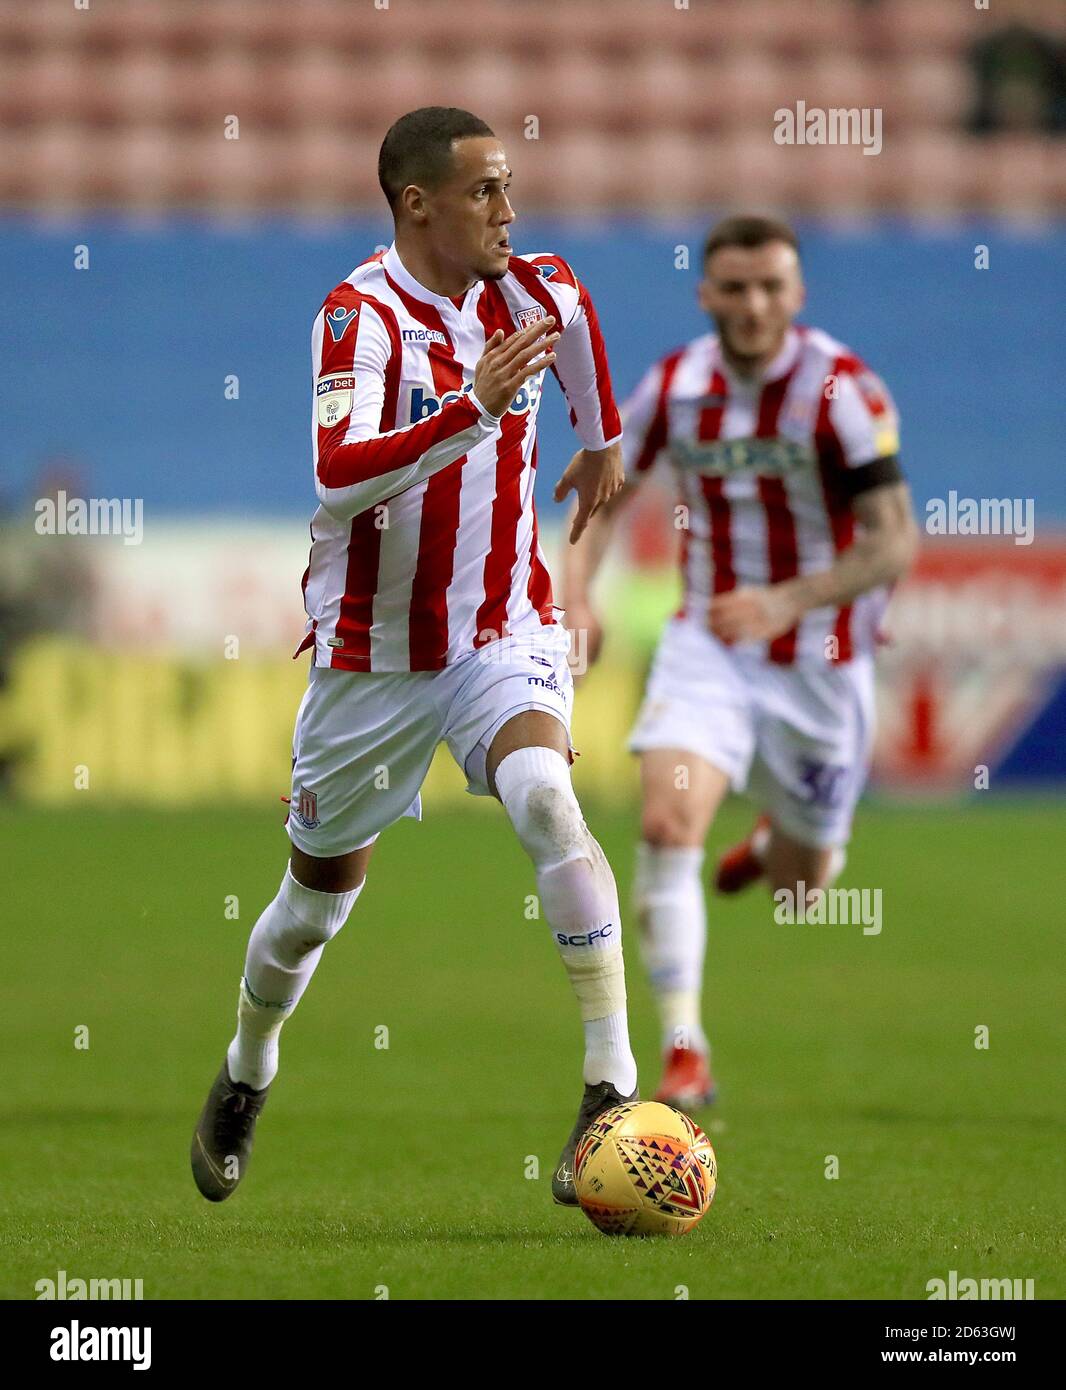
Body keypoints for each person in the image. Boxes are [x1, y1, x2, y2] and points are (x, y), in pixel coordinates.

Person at [191, 107, 637, 1207]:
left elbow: (579, 330)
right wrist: (467, 407)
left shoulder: (537, 289)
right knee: (310, 911)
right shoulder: (358, 318)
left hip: (502, 628)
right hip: (372, 658)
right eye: (486, 190)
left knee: (545, 795)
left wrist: (601, 437)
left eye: (511, 186)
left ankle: (609, 1084)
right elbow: (339, 476)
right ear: (416, 203)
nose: (509, 211)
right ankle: (250, 1063)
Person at [561, 215, 918, 1108]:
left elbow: (893, 542)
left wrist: (786, 602)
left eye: (771, 287)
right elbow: (608, 496)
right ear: (706, 294)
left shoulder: (843, 391)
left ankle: (770, 846)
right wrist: (576, 594)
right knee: (665, 825)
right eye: (735, 287)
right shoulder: (676, 386)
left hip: (821, 660)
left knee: (806, 886)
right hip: (709, 643)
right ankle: (684, 1049)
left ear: (796, 294)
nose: (754, 304)